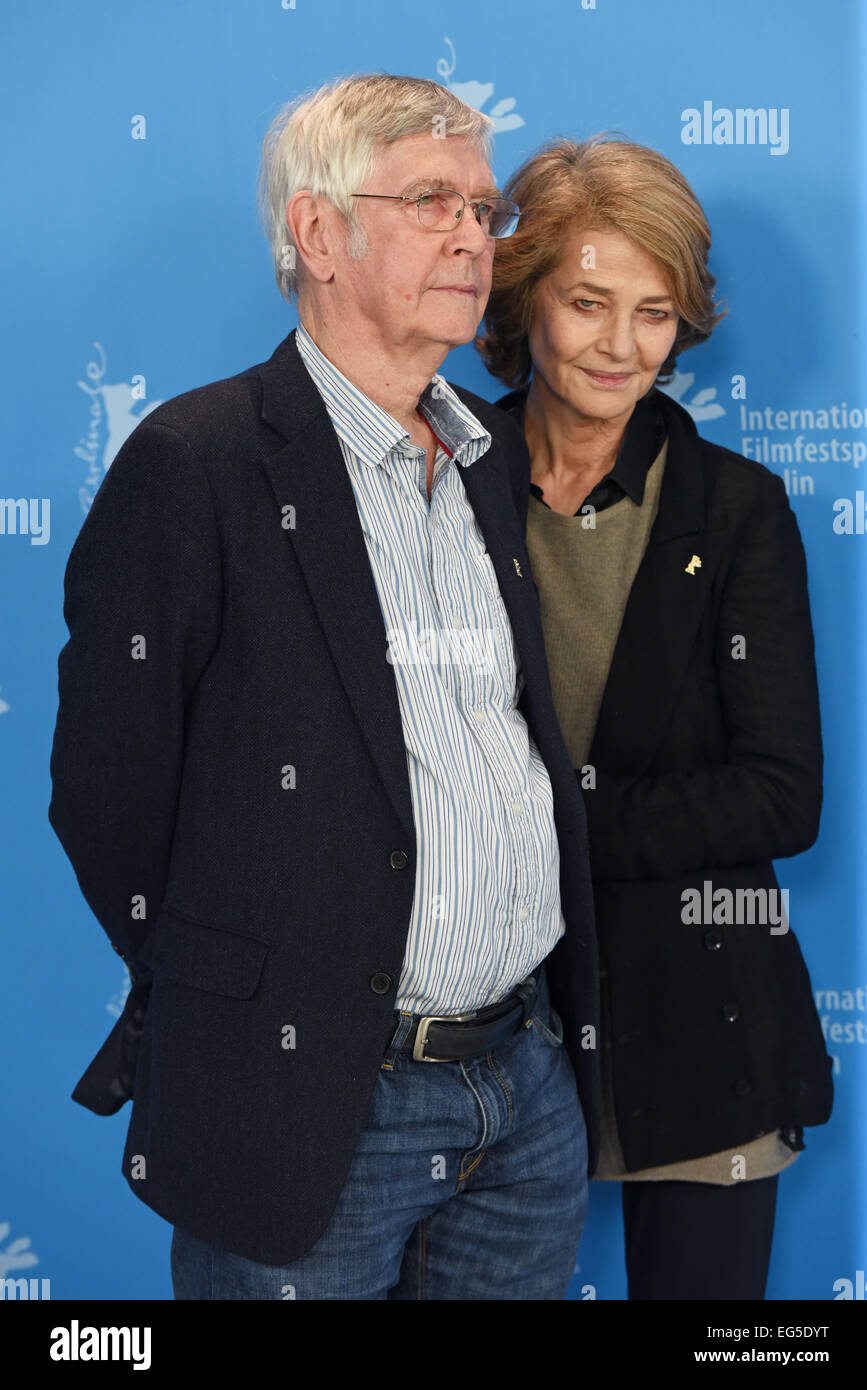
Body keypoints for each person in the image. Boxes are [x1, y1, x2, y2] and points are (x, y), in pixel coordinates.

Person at [47, 75, 603, 1301]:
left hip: (523, 1094)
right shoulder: (195, 464)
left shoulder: (488, 456)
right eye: (430, 201)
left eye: (484, 208)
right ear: (316, 233)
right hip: (313, 1106)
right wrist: (244, 994)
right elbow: (107, 791)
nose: (474, 235)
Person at [477, 135, 834, 1300]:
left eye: (657, 311)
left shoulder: (737, 509)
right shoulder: (436, 480)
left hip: (705, 1017)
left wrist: (552, 835)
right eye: (588, 303)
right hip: (482, 1025)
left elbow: (782, 791)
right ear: (525, 293)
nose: (623, 347)